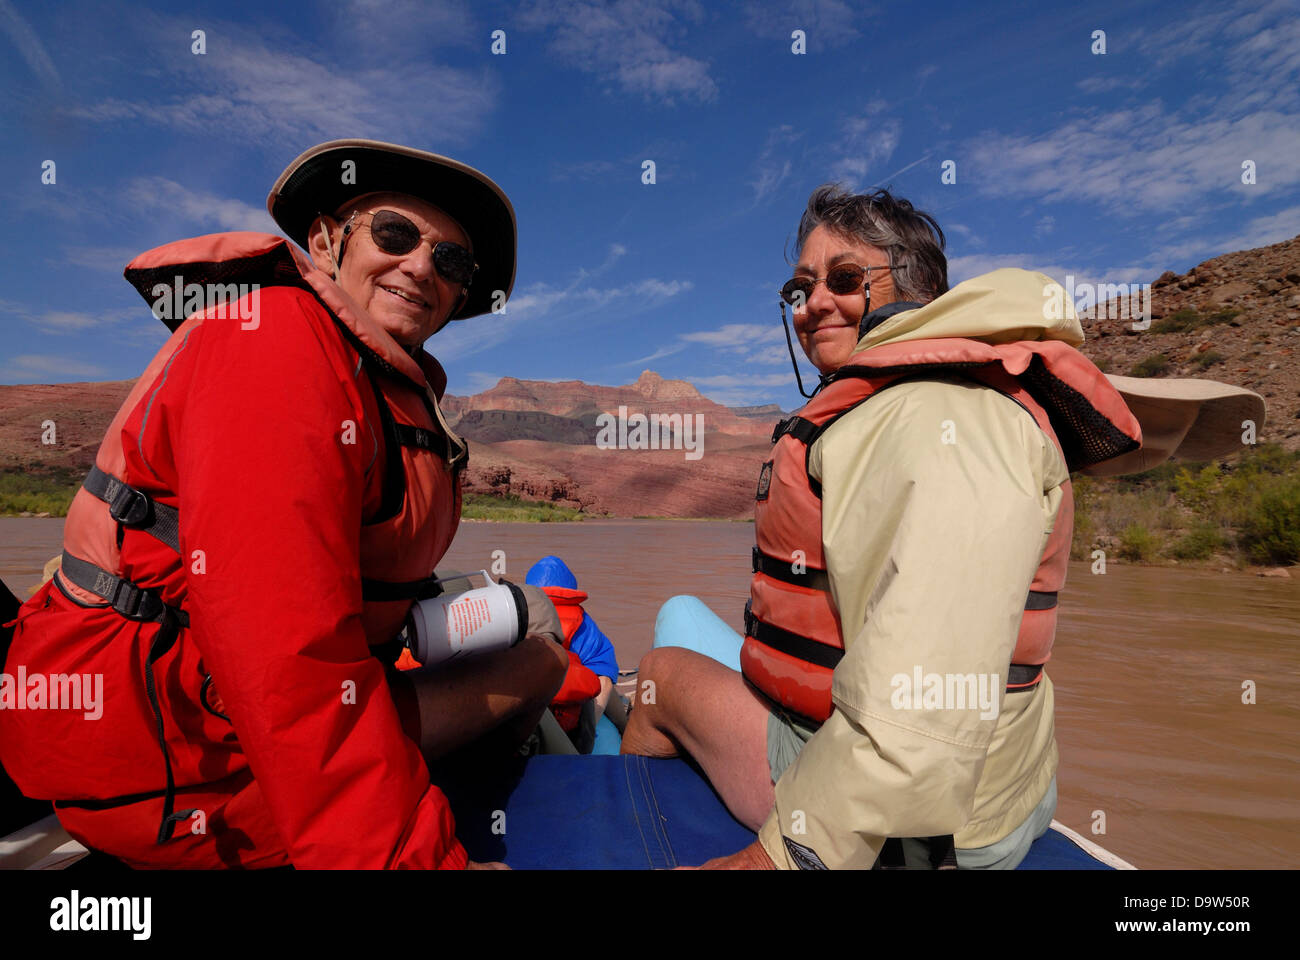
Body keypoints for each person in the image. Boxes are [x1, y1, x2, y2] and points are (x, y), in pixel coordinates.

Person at [0, 139, 570, 869]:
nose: (423, 266)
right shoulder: (277, 346)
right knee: (541, 663)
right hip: (174, 766)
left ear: (461, 294)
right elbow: (287, 670)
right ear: (328, 241)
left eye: (452, 262)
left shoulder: (361, 371)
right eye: (394, 234)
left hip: (211, 722)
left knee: (534, 628)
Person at [620, 185, 1144, 869]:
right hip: (996, 785)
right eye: (801, 288)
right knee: (684, 613)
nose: (813, 305)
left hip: (919, 829)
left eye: (844, 279)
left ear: (917, 290)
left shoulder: (933, 415)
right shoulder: (922, 398)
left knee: (659, 675)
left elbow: (920, 704)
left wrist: (780, 859)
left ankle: (625, 816)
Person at [525, 556, 619, 752]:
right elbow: (605, 680)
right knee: (605, 682)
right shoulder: (584, 623)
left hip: (532, 713)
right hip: (573, 718)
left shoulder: (521, 616)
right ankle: (625, 727)